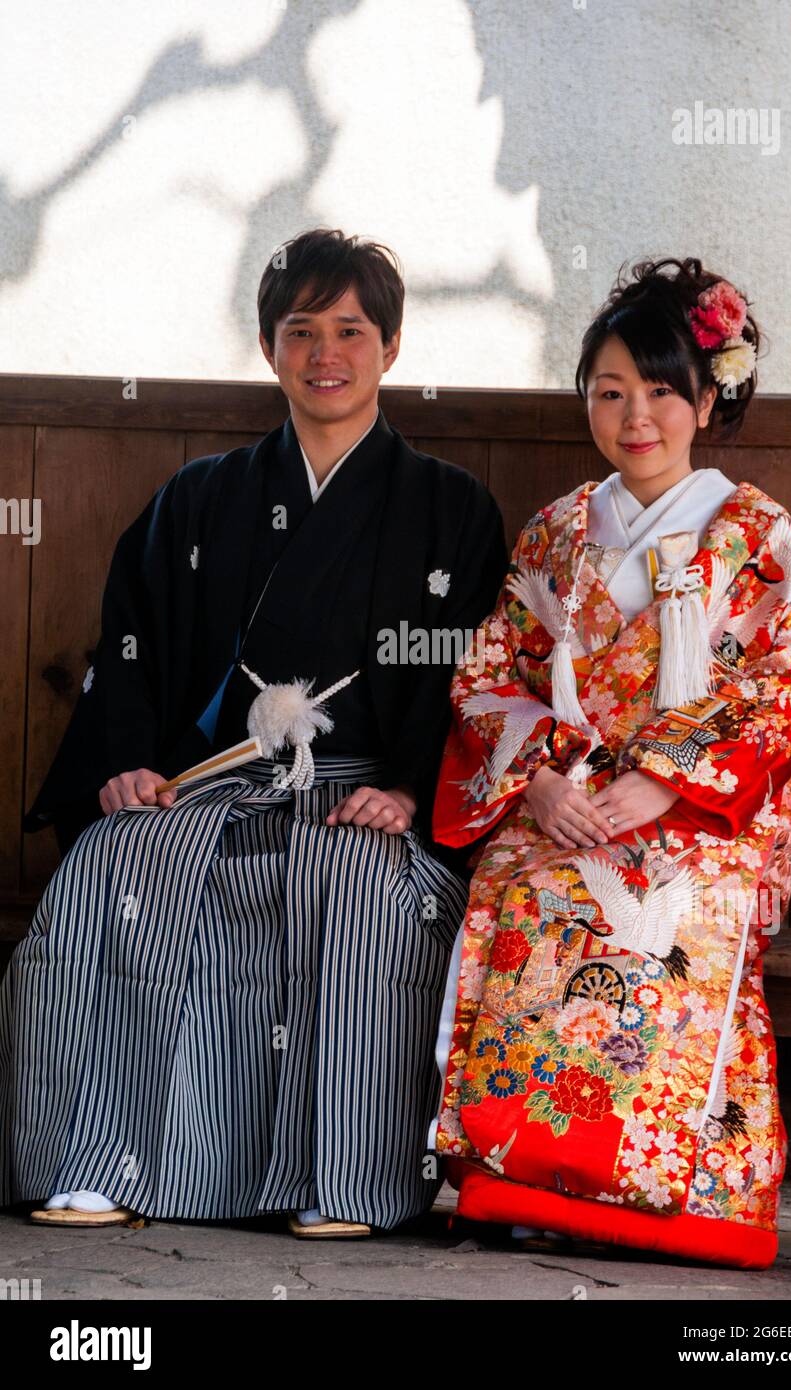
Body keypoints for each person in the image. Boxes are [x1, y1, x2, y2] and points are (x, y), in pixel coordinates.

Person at [0, 228, 508, 1236]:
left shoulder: (448, 509)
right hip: (211, 784)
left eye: (352, 330)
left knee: (364, 887)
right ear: (270, 348)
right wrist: (130, 765)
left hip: (363, 784)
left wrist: (410, 786)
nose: (327, 352)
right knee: (117, 867)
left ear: (391, 348)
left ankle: (347, 1179)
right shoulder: (197, 501)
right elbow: (132, 646)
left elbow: (471, 674)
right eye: (301, 329)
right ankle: (108, 1157)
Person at [429, 257, 791, 1270]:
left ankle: (683, 1198)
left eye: (659, 389)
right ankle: (514, 1178)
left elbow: (783, 682)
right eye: (608, 390)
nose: (633, 414)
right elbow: (488, 675)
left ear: (704, 397)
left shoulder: (752, 534)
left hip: (697, 812)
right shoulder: (560, 531)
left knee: (675, 919)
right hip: (565, 798)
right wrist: (542, 782)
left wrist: (662, 779)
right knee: (528, 895)